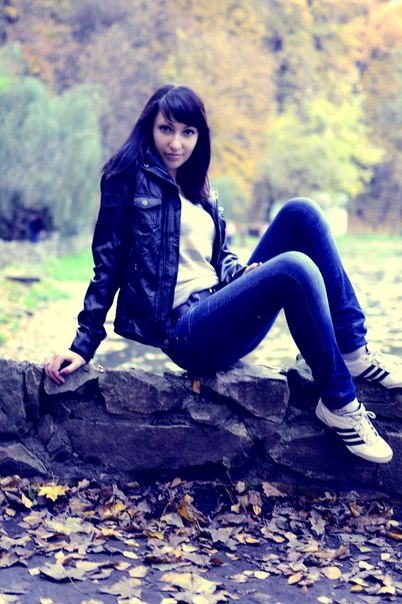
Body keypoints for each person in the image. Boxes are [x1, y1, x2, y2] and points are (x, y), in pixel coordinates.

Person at [44, 84, 402, 464]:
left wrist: (241, 273)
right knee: (295, 268)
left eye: (188, 132)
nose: (176, 143)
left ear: (199, 135)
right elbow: (108, 263)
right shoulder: (126, 178)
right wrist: (82, 344)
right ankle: (340, 403)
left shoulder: (200, 186)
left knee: (302, 213)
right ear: (150, 127)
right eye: (166, 129)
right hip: (186, 330)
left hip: (220, 307)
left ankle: (353, 350)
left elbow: (218, 258)